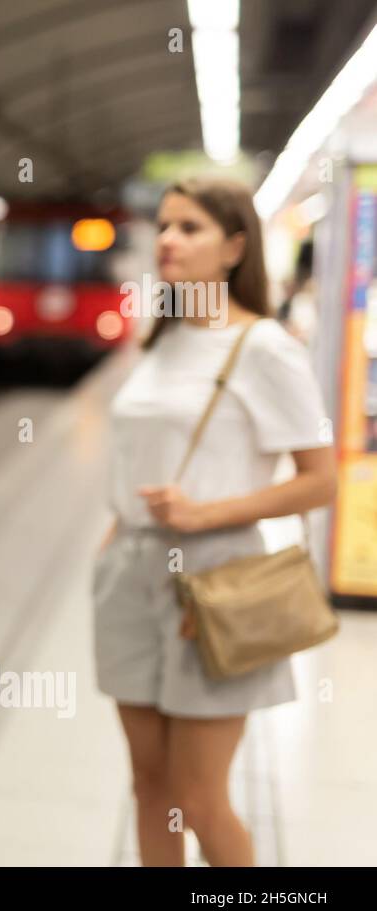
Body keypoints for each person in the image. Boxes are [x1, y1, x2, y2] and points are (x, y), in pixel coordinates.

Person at [93, 178, 337, 866]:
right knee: (149, 788)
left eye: (191, 228)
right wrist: (115, 540)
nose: (168, 240)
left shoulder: (264, 347)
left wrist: (207, 513)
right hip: (130, 572)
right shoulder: (162, 336)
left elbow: (322, 480)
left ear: (235, 247)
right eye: (165, 225)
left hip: (219, 579)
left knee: (198, 798)